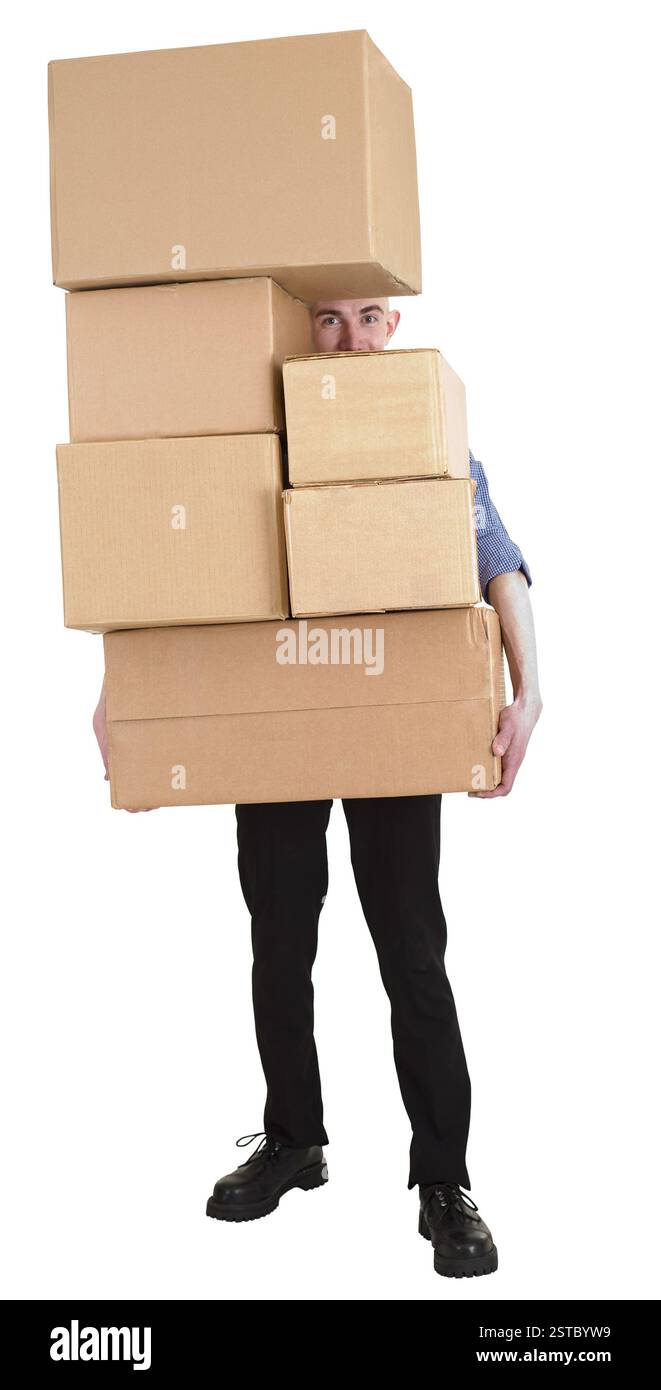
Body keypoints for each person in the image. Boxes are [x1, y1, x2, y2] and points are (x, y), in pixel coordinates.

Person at [93, 297, 542, 1279]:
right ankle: (294, 1138)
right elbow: (178, 572)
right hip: (279, 724)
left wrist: (529, 692)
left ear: (396, 323)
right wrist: (121, 694)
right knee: (280, 941)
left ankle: (444, 1179)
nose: (349, 341)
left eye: (367, 318)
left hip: (387, 723)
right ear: (300, 330)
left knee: (410, 950)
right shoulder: (259, 441)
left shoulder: (426, 437)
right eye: (327, 321)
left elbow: (498, 565)